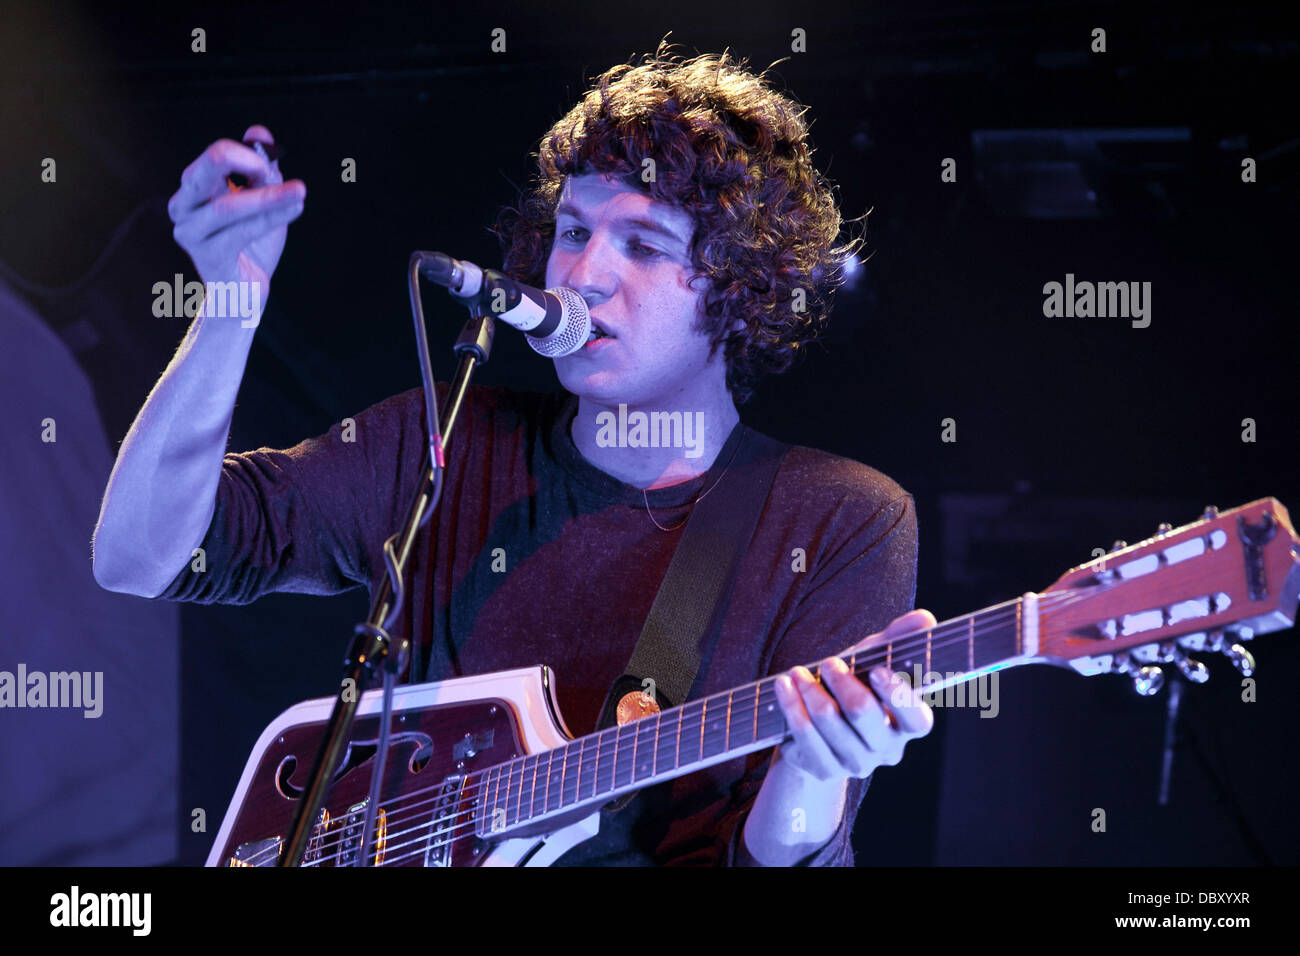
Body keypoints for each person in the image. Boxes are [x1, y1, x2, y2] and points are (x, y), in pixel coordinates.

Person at [92, 48, 935, 866]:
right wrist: (231, 303)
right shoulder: (449, 438)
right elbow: (140, 555)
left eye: (642, 245)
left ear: (736, 286)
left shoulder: (837, 517)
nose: (584, 273)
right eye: (573, 230)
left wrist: (819, 770)